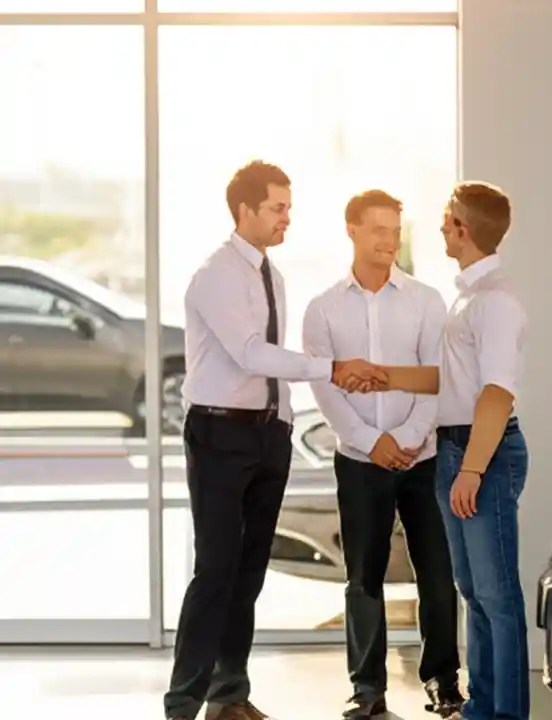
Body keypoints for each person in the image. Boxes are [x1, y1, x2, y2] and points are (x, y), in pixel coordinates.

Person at [164, 160, 385, 720]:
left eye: (287, 206)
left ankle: (229, 697)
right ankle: (182, 702)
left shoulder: (272, 274)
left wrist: (282, 419)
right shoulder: (217, 275)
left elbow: (267, 360)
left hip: (266, 434)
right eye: (277, 208)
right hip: (219, 432)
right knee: (215, 568)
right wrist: (331, 368)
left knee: (249, 570)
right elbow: (249, 353)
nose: (288, 217)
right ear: (246, 210)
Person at [346, 181, 528, 720]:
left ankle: (508, 715)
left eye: (448, 220)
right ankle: (483, 708)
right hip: (456, 449)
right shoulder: (468, 296)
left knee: (498, 597)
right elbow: (453, 379)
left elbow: (496, 391)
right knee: (473, 592)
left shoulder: (496, 302)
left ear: (463, 230)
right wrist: (381, 378)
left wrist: (472, 467)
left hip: (482, 453)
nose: (441, 226)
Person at [301, 190, 463, 719]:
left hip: (424, 458)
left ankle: (443, 680)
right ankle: (367, 690)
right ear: (351, 229)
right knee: (363, 577)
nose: (388, 241)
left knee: (437, 572)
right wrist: (374, 442)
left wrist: (411, 437)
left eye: (395, 231)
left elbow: (438, 379)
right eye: (377, 230)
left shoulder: (426, 301)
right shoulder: (322, 309)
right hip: (359, 460)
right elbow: (326, 388)